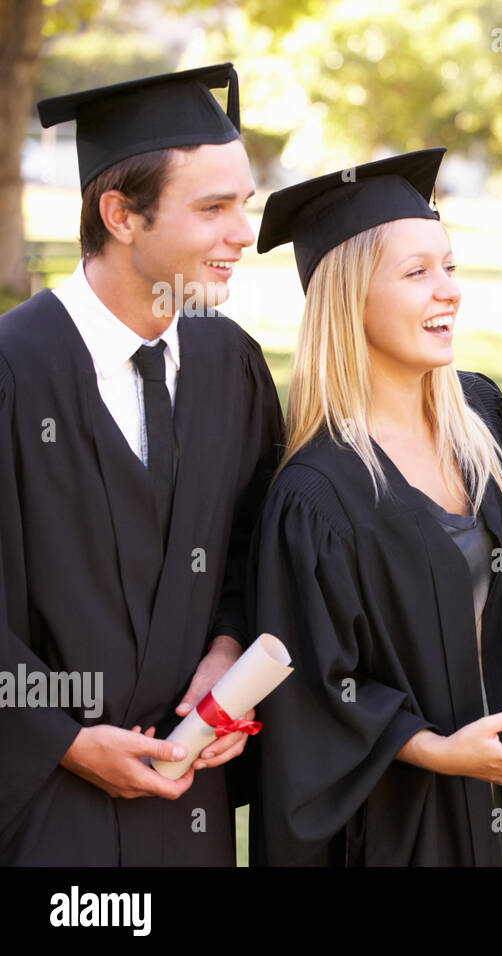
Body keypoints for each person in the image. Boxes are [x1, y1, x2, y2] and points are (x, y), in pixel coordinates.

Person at [249, 149, 502, 866]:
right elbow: (313, 694)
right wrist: (438, 750)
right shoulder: (315, 496)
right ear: (349, 301)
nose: (449, 291)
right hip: (407, 827)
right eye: (417, 273)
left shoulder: (487, 422)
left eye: (450, 267)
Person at [0, 64, 284, 865]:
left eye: (245, 207)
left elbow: (255, 547)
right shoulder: (13, 372)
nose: (243, 235)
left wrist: (229, 654)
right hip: (40, 814)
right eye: (213, 209)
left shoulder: (230, 365)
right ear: (120, 214)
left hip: (187, 803)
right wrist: (61, 738)